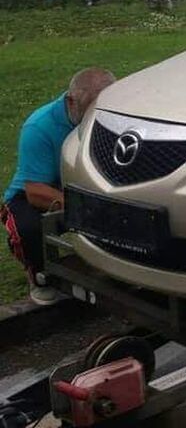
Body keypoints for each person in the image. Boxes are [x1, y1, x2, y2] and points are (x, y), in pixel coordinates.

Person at [1, 68, 115, 305]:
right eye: (89, 108)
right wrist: (85, 206)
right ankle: (39, 276)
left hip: (81, 183)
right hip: (35, 192)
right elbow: (35, 191)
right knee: (29, 229)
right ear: (71, 101)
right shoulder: (39, 126)